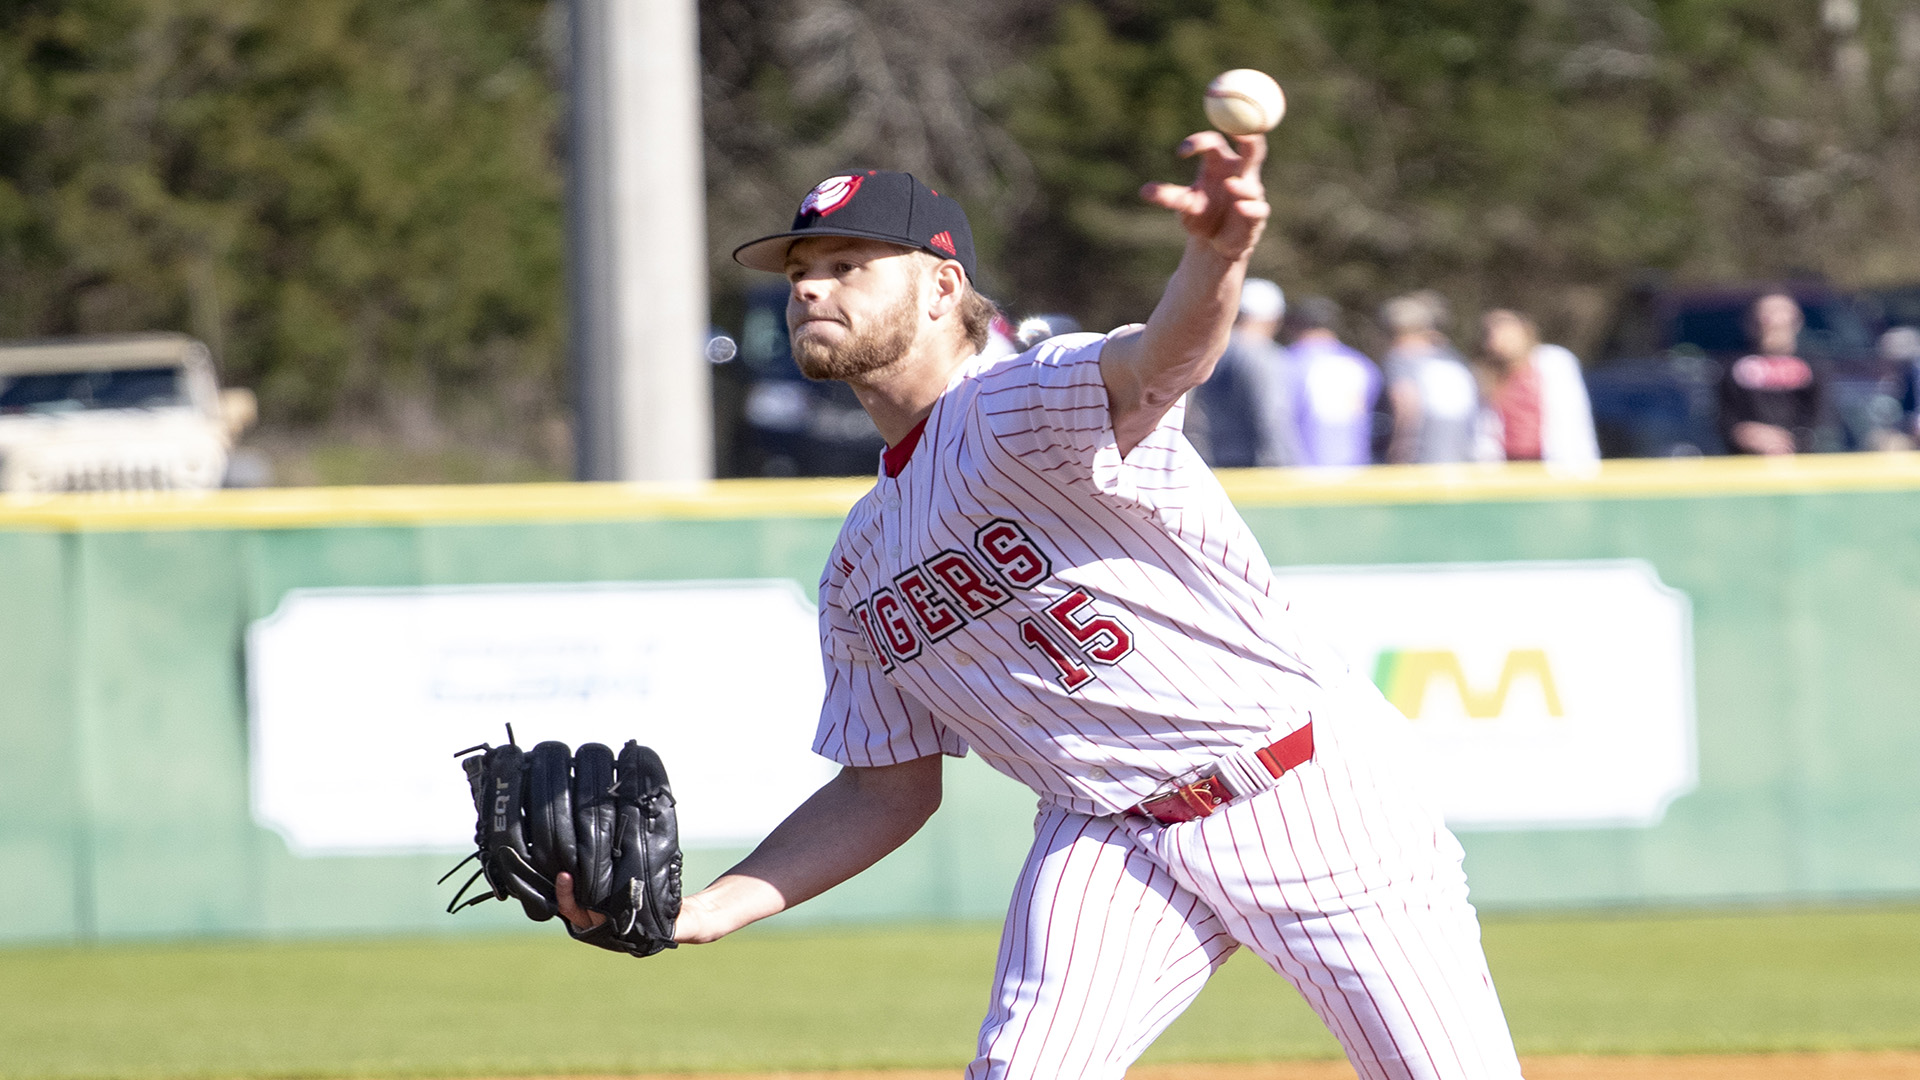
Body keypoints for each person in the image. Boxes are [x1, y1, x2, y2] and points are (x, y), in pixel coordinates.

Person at [558, 145, 1524, 1080]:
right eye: (801, 270)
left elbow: (1161, 360)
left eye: (848, 263)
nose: (811, 287)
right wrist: (703, 911)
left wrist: (1218, 253)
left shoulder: (1019, 400)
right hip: (1105, 831)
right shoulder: (858, 564)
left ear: (942, 287)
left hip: (1303, 791)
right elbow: (884, 789)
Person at [1190, 277, 1299, 467]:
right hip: (1251, 468)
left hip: (1205, 463)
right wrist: (1287, 466)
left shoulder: (1206, 349)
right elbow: (1271, 416)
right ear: (1273, 319)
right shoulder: (1260, 353)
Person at [1475, 308, 1600, 465]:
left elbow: (1574, 419)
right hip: (1506, 468)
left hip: (1554, 466)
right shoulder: (1485, 376)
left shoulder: (1555, 363)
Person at [1381, 291, 1480, 464]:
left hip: (1423, 459)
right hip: (1463, 456)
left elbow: (1406, 402)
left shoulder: (1401, 358)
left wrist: (1398, 450)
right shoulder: (1454, 359)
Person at [1720, 292, 1825, 455]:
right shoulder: (1734, 369)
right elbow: (1723, 419)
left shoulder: (1814, 368)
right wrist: (1747, 435)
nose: (1773, 320)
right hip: (1748, 463)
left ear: (1797, 321)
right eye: (1766, 313)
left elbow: (1823, 422)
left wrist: (1789, 441)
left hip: (1802, 461)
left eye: (1780, 312)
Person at [1283, 295, 1381, 467]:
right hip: (1356, 466)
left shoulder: (1288, 362)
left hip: (1303, 469)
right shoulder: (1361, 364)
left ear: (1295, 325)